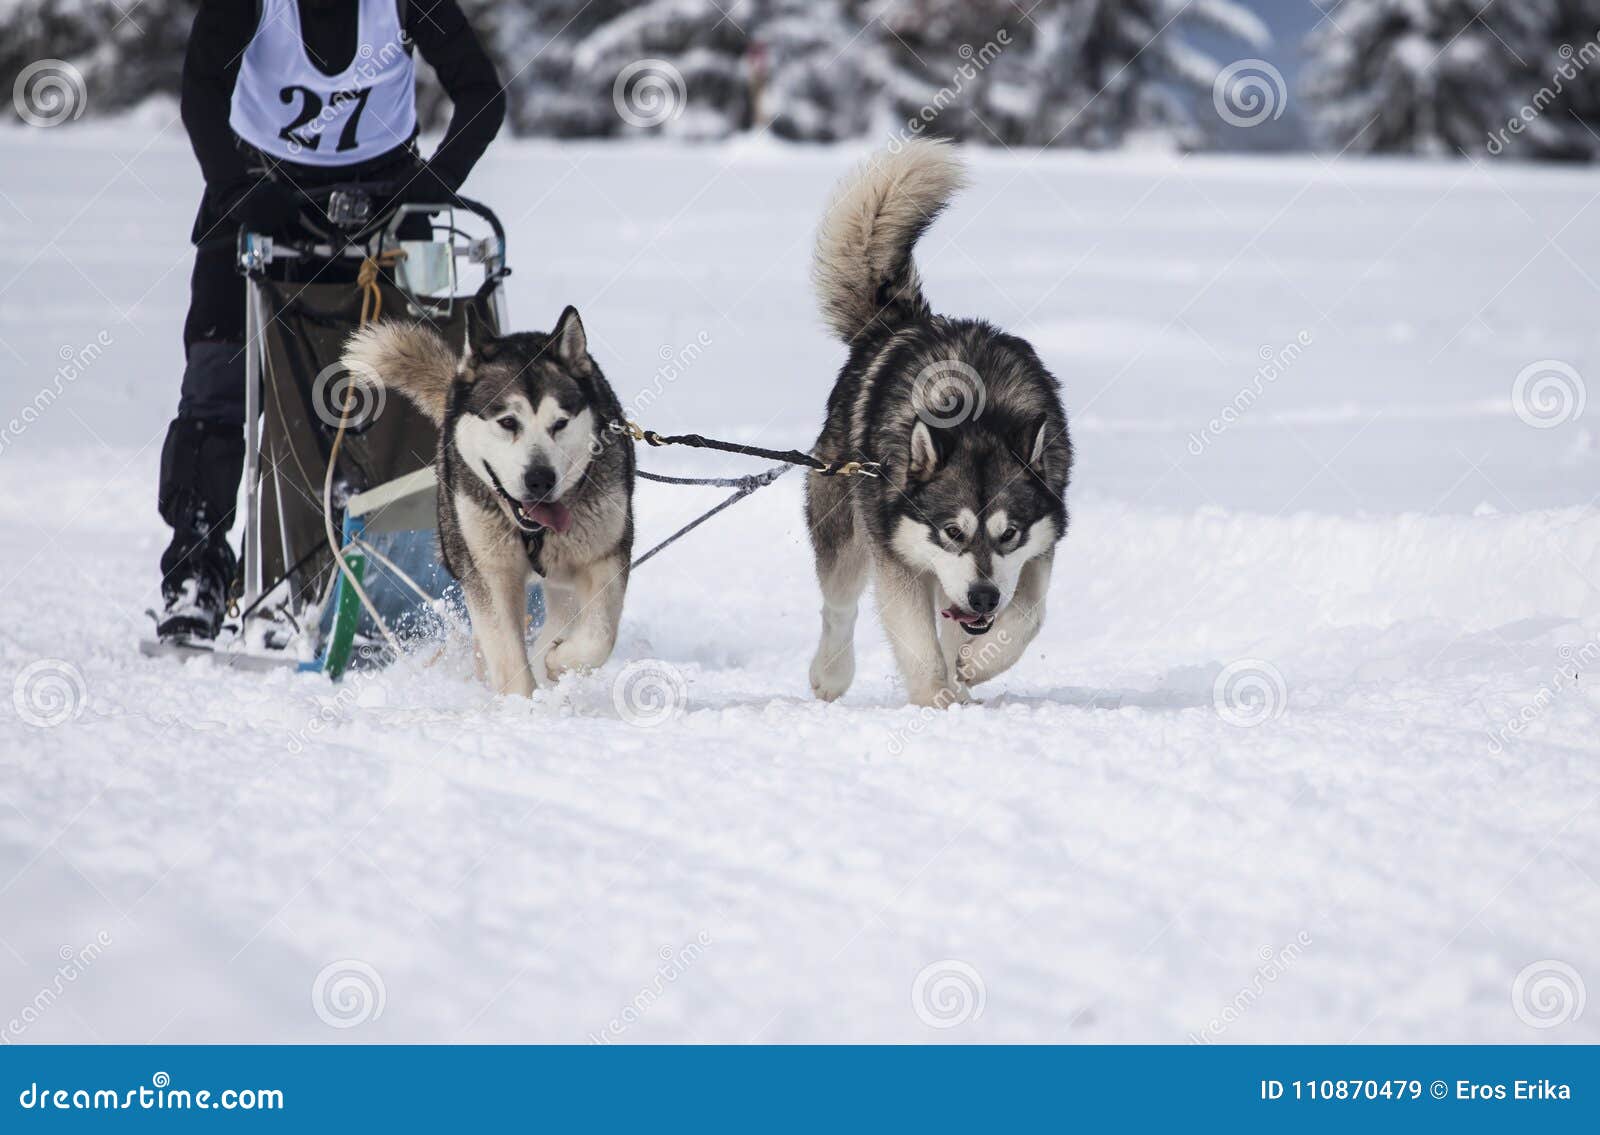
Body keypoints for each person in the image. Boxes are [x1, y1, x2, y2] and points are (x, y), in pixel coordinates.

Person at [157, 0, 505, 640]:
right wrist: (236, 191)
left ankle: (441, 569)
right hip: (262, 191)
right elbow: (202, 89)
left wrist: (438, 180)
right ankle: (196, 569)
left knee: (421, 387)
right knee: (217, 381)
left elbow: (483, 93)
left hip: (391, 202)